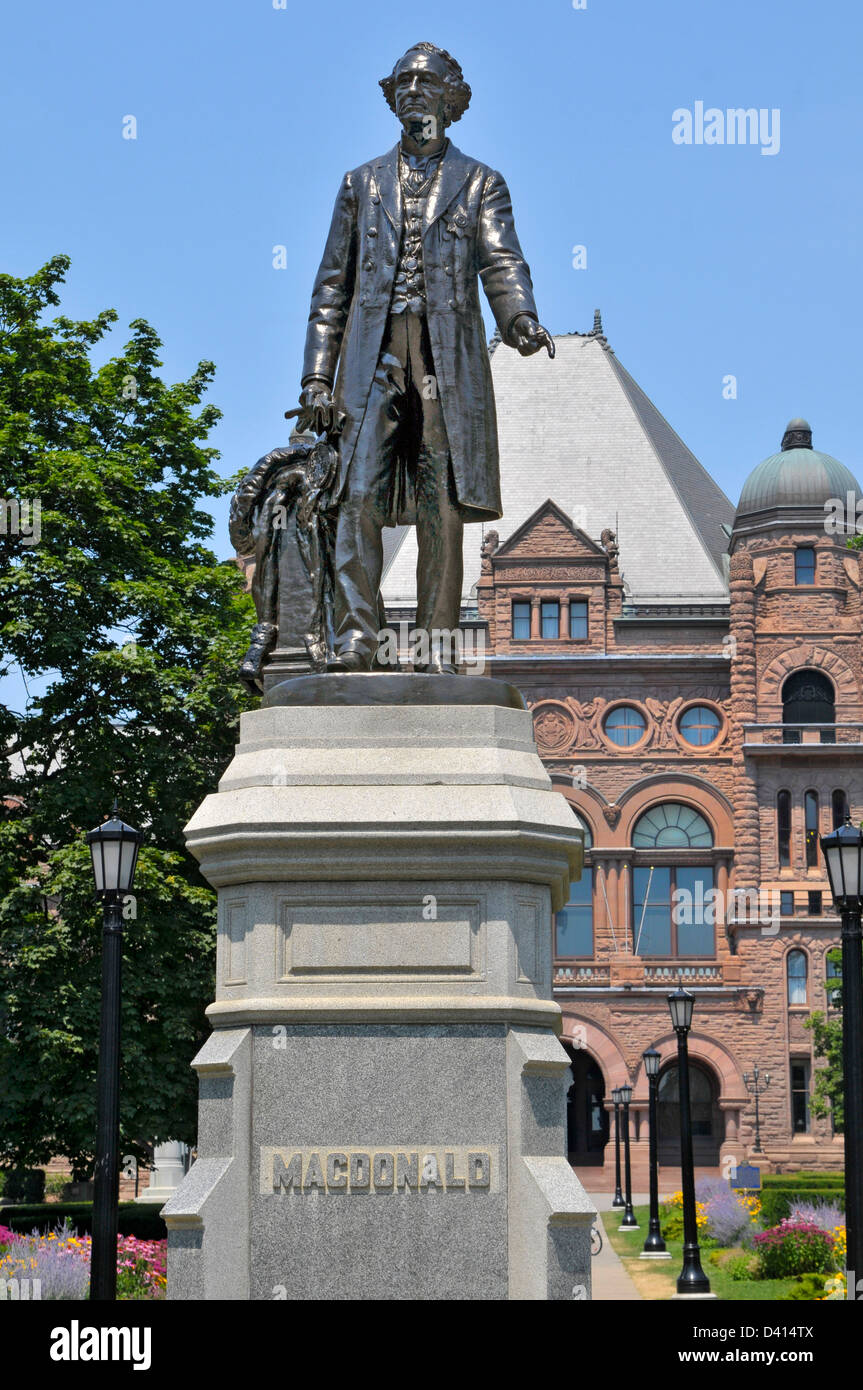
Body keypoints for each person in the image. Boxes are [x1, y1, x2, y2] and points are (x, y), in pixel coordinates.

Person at [296, 42, 554, 673]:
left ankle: (437, 642)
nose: (412, 90)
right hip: (372, 360)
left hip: (445, 360)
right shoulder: (360, 184)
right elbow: (333, 287)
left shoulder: (481, 182)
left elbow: (500, 259)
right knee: (356, 494)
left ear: (450, 98)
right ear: (392, 98)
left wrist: (518, 317)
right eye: (402, 82)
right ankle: (358, 635)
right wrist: (316, 377)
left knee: (442, 501)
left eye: (424, 81)